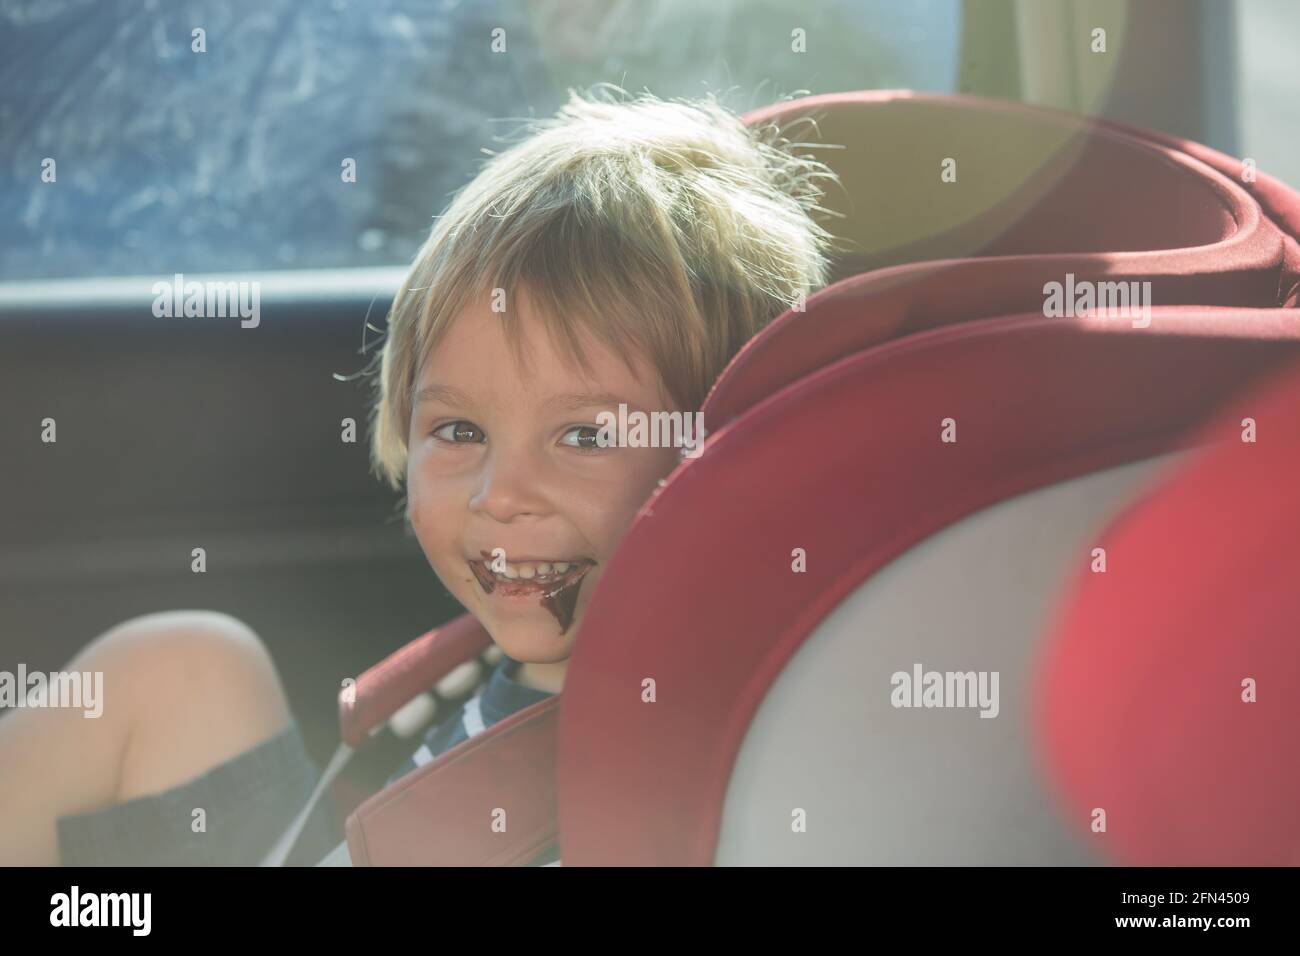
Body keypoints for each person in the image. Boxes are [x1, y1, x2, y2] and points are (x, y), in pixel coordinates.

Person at [0, 84, 839, 866]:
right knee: (181, 666)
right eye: (461, 430)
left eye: (584, 435)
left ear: (723, 455)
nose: (498, 494)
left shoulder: (664, 763)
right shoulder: (522, 670)